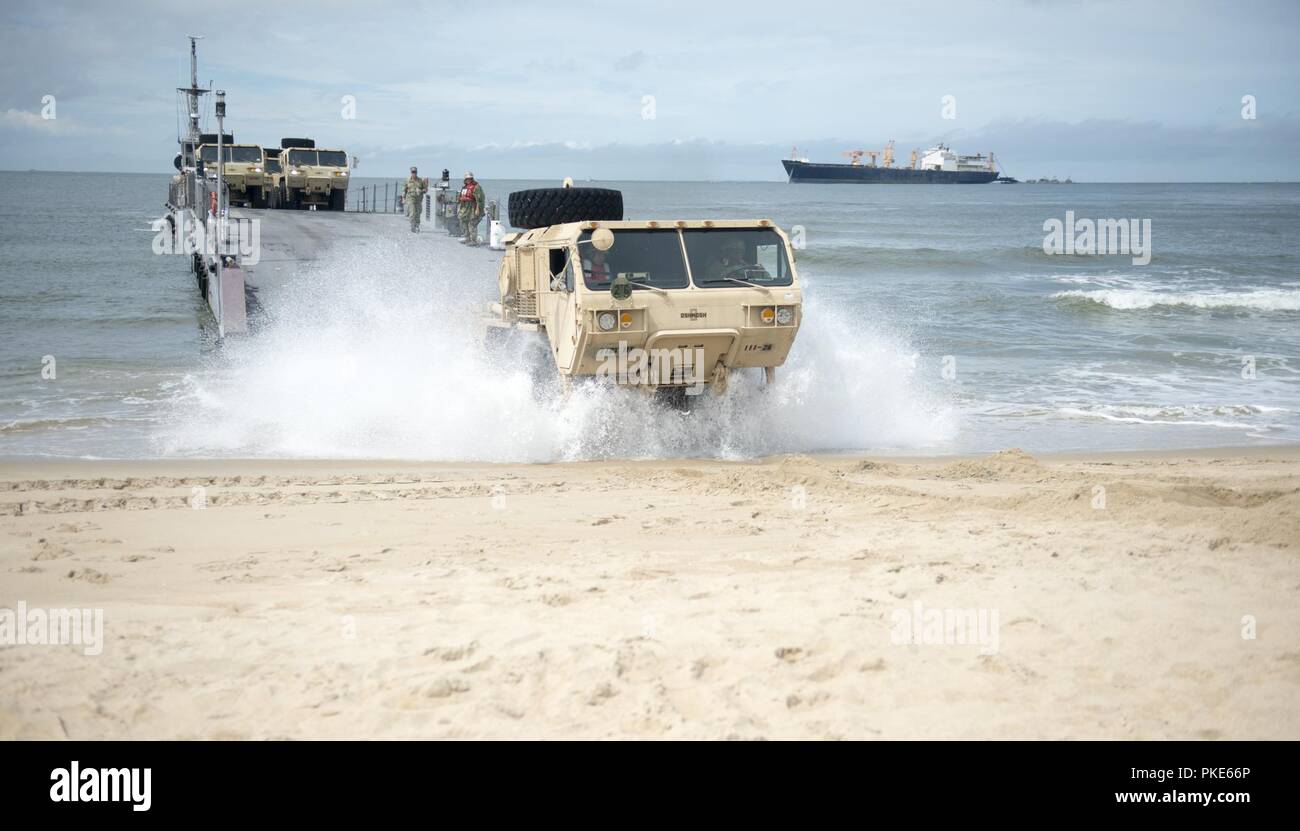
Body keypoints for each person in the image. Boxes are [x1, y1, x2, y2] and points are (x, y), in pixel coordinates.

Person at [457, 171, 486, 245]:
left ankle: (473, 240)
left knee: (472, 223)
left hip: (473, 207)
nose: (468, 180)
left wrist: (478, 209)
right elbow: (460, 197)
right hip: (465, 208)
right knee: (463, 221)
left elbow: (480, 200)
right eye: (467, 179)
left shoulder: (476, 187)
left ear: (472, 179)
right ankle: (467, 238)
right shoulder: (464, 187)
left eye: (469, 179)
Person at [403, 166, 427, 232]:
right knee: (412, 212)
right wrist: (403, 198)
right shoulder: (407, 180)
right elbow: (404, 190)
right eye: (413, 172)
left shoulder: (420, 180)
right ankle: (412, 225)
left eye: (415, 172)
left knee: (418, 213)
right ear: (411, 172)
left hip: (418, 199)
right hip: (410, 198)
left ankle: (417, 225)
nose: (414, 173)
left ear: (417, 172)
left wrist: (421, 190)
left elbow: (425, 189)